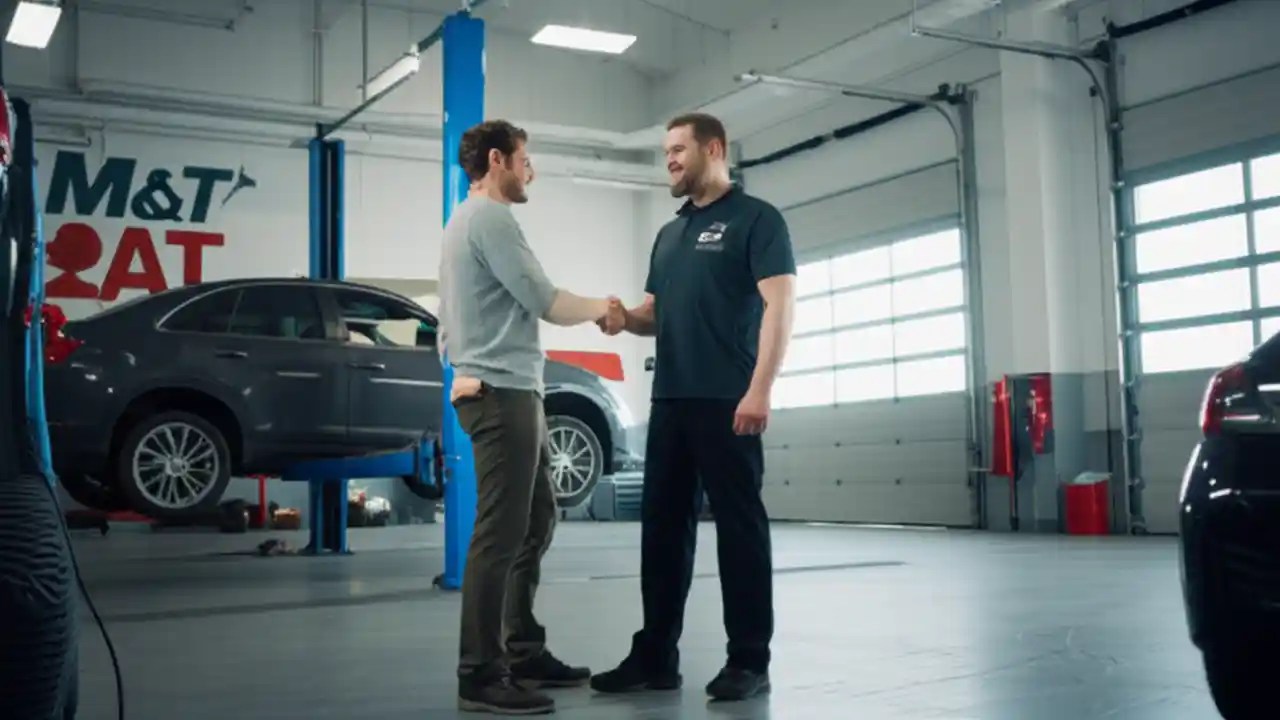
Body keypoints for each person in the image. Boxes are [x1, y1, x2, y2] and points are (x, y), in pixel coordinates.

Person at [590, 112, 796, 702]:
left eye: (679, 149)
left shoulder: (757, 220)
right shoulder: (670, 234)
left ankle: (749, 660)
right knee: (661, 530)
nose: (670, 160)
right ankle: (656, 654)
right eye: (665, 152)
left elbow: (780, 310)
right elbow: (654, 314)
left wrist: (761, 389)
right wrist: (626, 318)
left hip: (729, 399)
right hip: (672, 402)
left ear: (714, 148)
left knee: (739, 528)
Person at [437, 119, 615, 715]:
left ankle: (521, 647)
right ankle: (480, 673)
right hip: (502, 393)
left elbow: (449, 321)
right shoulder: (489, 218)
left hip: (509, 388)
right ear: (498, 160)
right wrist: (607, 310)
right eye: (524, 159)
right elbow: (545, 299)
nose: (529, 170)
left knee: (536, 519)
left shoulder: (462, 224)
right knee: (501, 533)